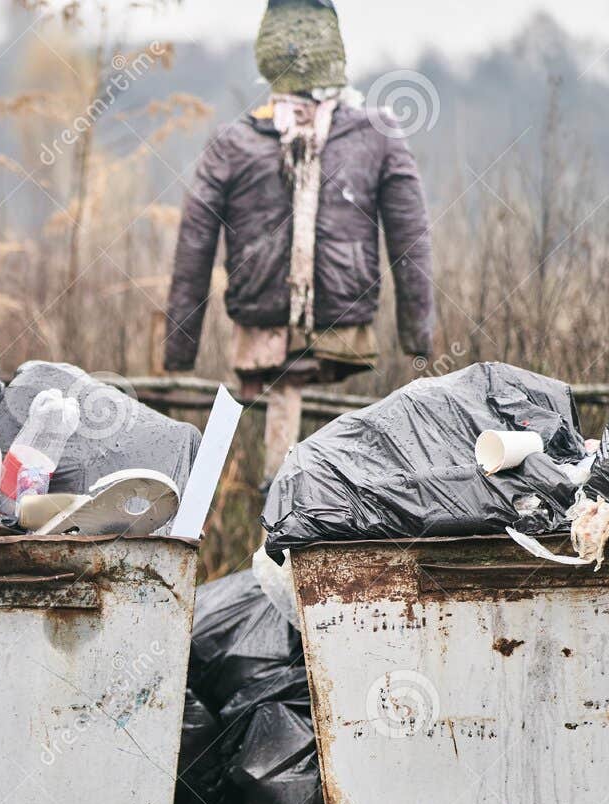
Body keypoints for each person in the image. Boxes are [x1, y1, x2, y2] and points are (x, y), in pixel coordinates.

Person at [164, 0, 434, 479]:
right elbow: (411, 241)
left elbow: (194, 248)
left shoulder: (232, 142)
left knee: (296, 423)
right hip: (341, 326)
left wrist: (179, 352)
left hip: (282, 329)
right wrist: (416, 339)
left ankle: (286, 510)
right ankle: (302, 513)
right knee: (342, 439)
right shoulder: (377, 133)